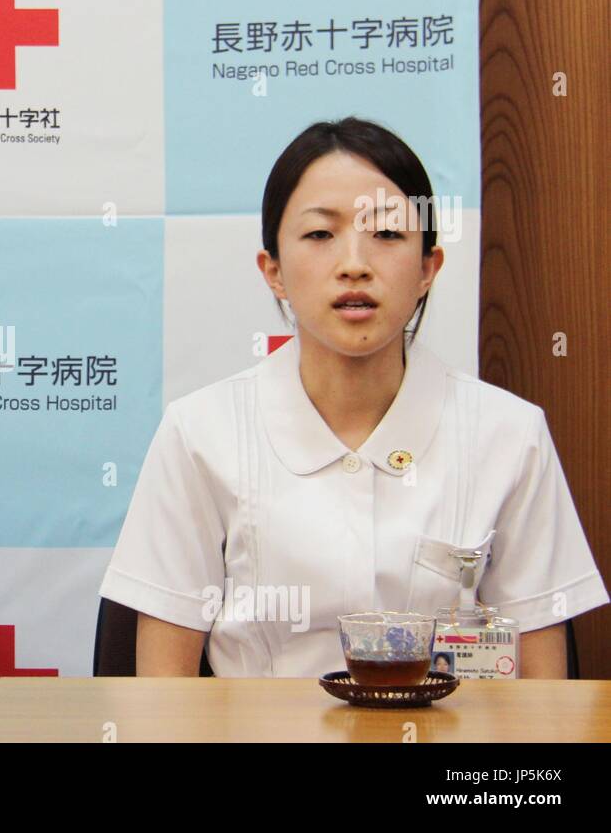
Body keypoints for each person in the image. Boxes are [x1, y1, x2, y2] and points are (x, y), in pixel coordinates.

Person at [100, 117, 608, 678]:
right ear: (273, 271)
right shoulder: (200, 434)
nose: (354, 264)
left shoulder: (510, 436)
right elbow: (160, 700)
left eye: (387, 235)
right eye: (320, 235)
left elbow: (544, 706)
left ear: (427, 269)